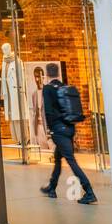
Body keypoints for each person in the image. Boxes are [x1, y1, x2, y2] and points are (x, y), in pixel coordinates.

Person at [40, 64, 97, 205]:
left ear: (46, 74)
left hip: (59, 131)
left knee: (71, 161)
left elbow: (48, 111)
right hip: (69, 128)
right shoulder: (64, 87)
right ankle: (52, 187)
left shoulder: (47, 89)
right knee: (58, 158)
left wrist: (50, 130)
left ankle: (89, 191)